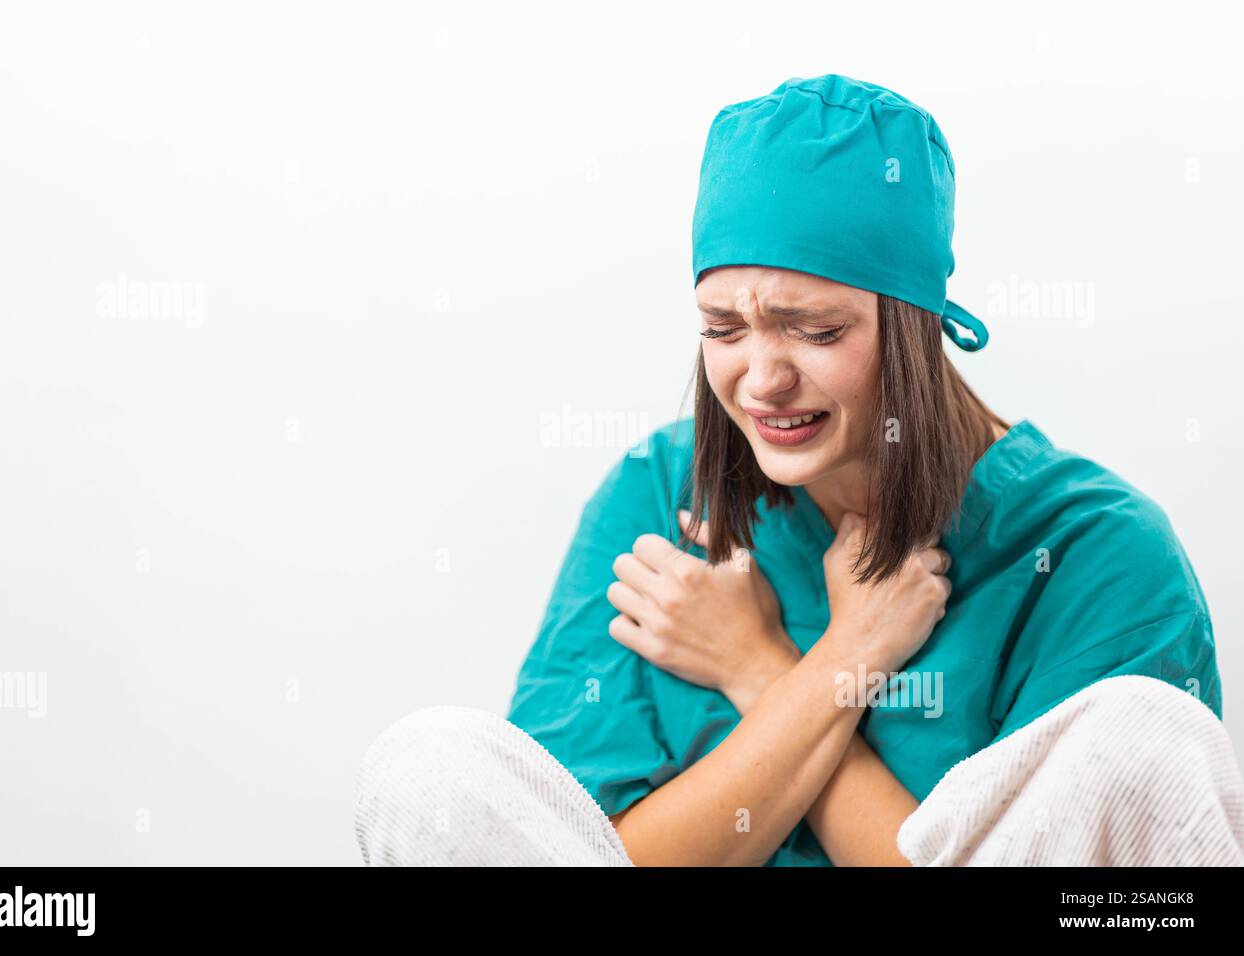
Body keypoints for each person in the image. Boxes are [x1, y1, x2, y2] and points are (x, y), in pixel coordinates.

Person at [355, 75, 1226, 867]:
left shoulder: (1093, 554)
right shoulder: (658, 494)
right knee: (429, 766)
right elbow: (589, 856)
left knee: (1140, 737)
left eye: (815, 330)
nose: (761, 380)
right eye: (723, 329)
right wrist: (842, 660)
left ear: (917, 327)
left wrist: (759, 666)